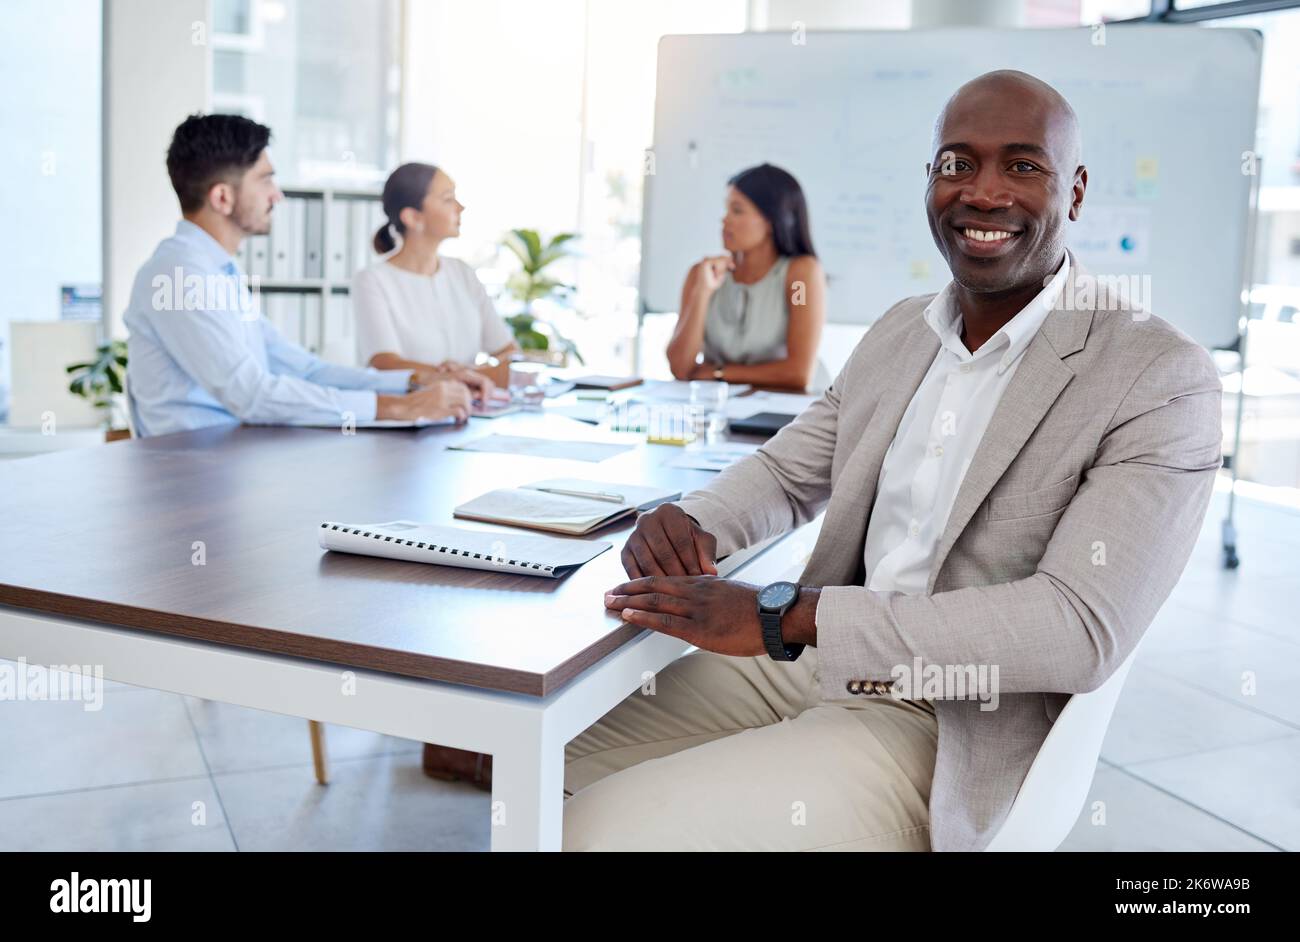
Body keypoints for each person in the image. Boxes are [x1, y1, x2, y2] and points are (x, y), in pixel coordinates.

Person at [564, 71, 1223, 851]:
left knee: (593, 830)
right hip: (816, 661)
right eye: (956, 164)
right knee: (543, 763)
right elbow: (785, 474)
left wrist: (787, 616)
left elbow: (1076, 627)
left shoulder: (1156, 374)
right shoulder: (901, 331)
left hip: (954, 719)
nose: (981, 192)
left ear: (1074, 193)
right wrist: (694, 521)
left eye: (1022, 166)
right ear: (930, 182)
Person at [125, 114, 471, 438]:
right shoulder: (180, 277)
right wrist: (400, 408)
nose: (277, 194)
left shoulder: (216, 272)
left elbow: (304, 369)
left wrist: (413, 381)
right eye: (265, 180)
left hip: (230, 457)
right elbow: (251, 395)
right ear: (222, 197)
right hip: (188, 476)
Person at [352, 162, 518, 398]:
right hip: (405, 415)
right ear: (412, 216)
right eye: (448, 199)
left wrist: (467, 373)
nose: (460, 207)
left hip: (468, 411)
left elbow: (509, 353)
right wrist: (461, 377)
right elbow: (384, 363)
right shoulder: (372, 280)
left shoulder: (463, 274)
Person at [666, 163, 827, 391]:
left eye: (737, 210)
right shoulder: (702, 275)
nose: (725, 220)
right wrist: (702, 293)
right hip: (720, 410)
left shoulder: (800, 277)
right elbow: (681, 368)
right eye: (726, 209)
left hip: (784, 414)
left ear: (772, 220)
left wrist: (717, 372)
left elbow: (798, 372)